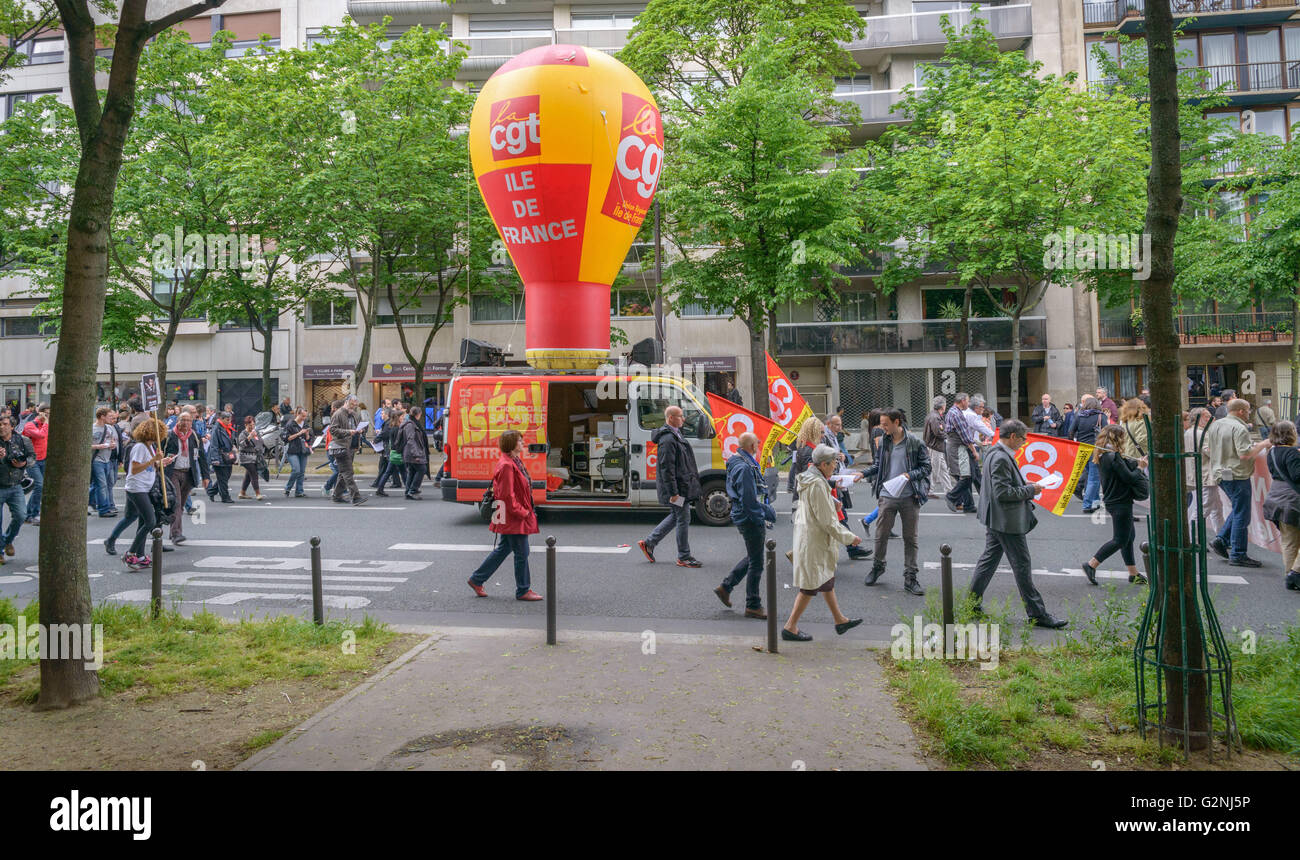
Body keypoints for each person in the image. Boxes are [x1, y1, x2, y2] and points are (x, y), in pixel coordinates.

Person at [967, 419, 1068, 629]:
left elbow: (1001, 488)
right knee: (1022, 565)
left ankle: (971, 604)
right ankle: (1037, 613)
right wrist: (1032, 489)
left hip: (996, 518)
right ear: (1013, 437)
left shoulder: (995, 452)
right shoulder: (1001, 458)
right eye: (1023, 439)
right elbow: (1002, 493)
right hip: (1006, 521)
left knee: (988, 561)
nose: (1024, 443)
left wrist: (1026, 486)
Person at [781, 444, 865, 642]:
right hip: (814, 539)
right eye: (834, 463)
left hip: (809, 536)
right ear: (824, 464)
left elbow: (812, 505)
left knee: (825, 581)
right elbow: (827, 521)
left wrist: (831, 501)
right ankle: (790, 627)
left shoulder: (810, 478)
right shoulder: (818, 484)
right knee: (810, 587)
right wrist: (849, 537)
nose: (835, 466)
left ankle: (840, 620)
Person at [859, 407, 931, 596]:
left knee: (910, 538)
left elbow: (926, 467)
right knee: (881, 534)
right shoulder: (884, 442)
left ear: (896, 422)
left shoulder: (915, 442)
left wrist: (910, 475)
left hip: (909, 496)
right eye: (881, 424)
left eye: (885, 424)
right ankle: (878, 567)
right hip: (887, 495)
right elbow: (878, 465)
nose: (882, 428)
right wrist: (861, 473)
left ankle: (910, 577)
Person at [466, 430, 543, 602]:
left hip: (510, 514)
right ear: (511, 444)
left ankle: (477, 579)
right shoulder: (507, 465)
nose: (523, 442)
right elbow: (507, 495)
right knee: (522, 552)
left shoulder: (513, 460)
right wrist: (522, 512)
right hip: (513, 515)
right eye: (519, 440)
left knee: (504, 549)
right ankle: (523, 590)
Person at [713, 432, 775, 618]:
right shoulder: (745, 468)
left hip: (744, 515)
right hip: (749, 518)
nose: (759, 444)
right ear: (751, 446)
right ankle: (752, 605)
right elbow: (749, 500)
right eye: (757, 442)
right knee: (757, 563)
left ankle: (726, 586)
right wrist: (760, 518)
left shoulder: (736, 461)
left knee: (753, 556)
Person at [1206, 398, 1272, 567]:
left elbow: (1212, 448)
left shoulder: (1216, 424)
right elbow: (1245, 454)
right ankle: (1238, 553)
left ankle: (1222, 539)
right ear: (1241, 411)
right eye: (1248, 410)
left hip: (1220, 472)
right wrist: (1264, 443)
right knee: (1242, 513)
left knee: (1238, 510)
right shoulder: (1240, 428)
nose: (1250, 413)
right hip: (1237, 474)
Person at [1082, 425, 1149, 586]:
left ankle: (1133, 573)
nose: (1124, 440)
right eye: (1123, 437)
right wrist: (1140, 467)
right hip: (1120, 501)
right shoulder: (1113, 456)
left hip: (1115, 499)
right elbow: (1129, 478)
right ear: (1117, 437)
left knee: (1128, 537)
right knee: (1120, 539)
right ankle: (1091, 564)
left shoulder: (1103, 454)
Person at [637, 406, 702, 567]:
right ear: (671, 418)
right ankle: (683, 556)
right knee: (683, 518)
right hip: (677, 488)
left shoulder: (676, 434)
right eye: (680, 416)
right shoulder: (668, 439)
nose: (684, 419)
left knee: (677, 516)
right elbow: (667, 469)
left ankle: (649, 543)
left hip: (681, 486)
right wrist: (673, 492)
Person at [118, 420, 173, 570]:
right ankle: (130, 553)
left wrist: (160, 463)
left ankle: (140, 556)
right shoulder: (140, 447)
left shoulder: (149, 447)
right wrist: (153, 460)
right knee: (150, 521)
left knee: (143, 521)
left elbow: (149, 466)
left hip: (144, 487)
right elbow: (135, 469)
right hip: (137, 488)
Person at [1261, 421, 1300, 593]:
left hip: (1276, 498)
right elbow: (1297, 475)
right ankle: (1295, 572)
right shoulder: (1292, 453)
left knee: (1289, 540)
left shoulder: (1272, 451)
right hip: (1293, 500)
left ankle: (1290, 576)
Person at [163, 412, 209, 545]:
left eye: (189, 420)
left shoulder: (194, 436)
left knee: (181, 505)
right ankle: (177, 533)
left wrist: (206, 477)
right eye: (184, 420)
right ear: (178, 421)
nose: (186, 423)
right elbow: (160, 453)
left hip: (189, 473)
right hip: (173, 473)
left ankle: (173, 532)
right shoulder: (169, 435)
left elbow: (201, 457)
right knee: (176, 503)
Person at [0, 414, 33, 565]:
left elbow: (33, 457)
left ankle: (7, 540)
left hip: (15, 485)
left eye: (5, 424)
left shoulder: (22, 440)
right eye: (0, 424)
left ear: (12, 427)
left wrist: (24, 463)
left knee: (21, 515)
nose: (2, 427)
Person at [1071, 395, 1109, 513]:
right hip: (1095, 448)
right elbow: (1107, 433)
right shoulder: (1100, 416)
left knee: (1091, 474)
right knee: (1094, 477)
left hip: (1082, 448)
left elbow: (1071, 432)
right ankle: (1087, 505)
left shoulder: (1079, 416)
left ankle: (1096, 502)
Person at [943, 393, 979, 514]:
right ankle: (952, 497)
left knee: (965, 476)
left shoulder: (952, 412)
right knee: (966, 476)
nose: (968, 404)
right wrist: (974, 451)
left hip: (956, 448)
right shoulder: (956, 414)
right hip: (958, 448)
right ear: (962, 401)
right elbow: (965, 436)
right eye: (968, 402)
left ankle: (968, 505)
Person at [328, 396, 366, 505]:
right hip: (341, 446)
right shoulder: (338, 414)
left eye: (355, 405)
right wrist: (348, 432)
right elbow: (333, 430)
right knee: (348, 472)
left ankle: (336, 496)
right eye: (351, 405)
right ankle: (356, 497)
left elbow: (360, 425)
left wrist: (361, 430)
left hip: (352, 446)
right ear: (346, 402)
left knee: (343, 473)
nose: (353, 407)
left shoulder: (355, 414)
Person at [91, 407, 121, 518]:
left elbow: (112, 440)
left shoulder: (109, 428)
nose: (111, 418)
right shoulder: (92, 429)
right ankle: (103, 509)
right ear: (102, 417)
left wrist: (112, 445)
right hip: (97, 460)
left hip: (107, 459)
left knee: (105, 484)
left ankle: (105, 506)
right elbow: (86, 445)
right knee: (102, 485)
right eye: (109, 416)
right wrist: (99, 446)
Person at [21, 405, 48, 525]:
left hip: (43, 458)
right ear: (40, 413)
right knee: (39, 485)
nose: (49, 417)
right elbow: (40, 435)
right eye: (47, 414)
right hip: (32, 460)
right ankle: (32, 514)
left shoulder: (46, 426)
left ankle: (29, 513)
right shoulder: (30, 425)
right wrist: (46, 423)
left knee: (40, 487)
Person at [205, 411, 236, 503]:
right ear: (222, 419)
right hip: (219, 456)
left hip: (227, 456)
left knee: (226, 476)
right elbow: (214, 444)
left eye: (230, 419)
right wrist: (215, 459)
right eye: (227, 419)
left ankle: (211, 492)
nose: (229, 421)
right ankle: (225, 497)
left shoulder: (227, 427)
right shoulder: (217, 428)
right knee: (222, 478)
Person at [373, 408, 405, 495]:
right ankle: (409, 490)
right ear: (398, 418)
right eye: (402, 416)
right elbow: (396, 442)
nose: (404, 418)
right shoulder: (396, 428)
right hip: (396, 453)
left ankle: (408, 489)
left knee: (399, 471)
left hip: (394, 452)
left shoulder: (393, 426)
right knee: (395, 471)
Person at [923, 395, 951, 498]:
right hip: (935, 447)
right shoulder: (935, 417)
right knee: (934, 470)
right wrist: (948, 436)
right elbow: (938, 432)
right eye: (945, 404)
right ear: (942, 406)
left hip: (935, 447)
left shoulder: (933, 415)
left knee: (943, 470)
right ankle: (929, 491)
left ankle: (949, 490)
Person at [401, 405, 430, 500]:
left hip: (411, 452)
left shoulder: (412, 422)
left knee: (412, 471)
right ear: (418, 414)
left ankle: (408, 492)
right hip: (412, 453)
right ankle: (413, 490)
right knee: (422, 469)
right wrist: (415, 454)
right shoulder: (410, 424)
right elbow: (410, 440)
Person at [283, 408, 312, 498]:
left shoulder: (306, 424)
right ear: (297, 414)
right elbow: (286, 438)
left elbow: (309, 439)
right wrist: (299, 433)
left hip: (303, 450)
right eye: (302, 416)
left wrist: (307, 434)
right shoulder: (290, 424)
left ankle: (299, 491)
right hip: (292, 450)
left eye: (305, 416)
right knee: (296, 470)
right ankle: (287, 488)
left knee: (302, 472)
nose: (304, 418)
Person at [236, 415, 266, 500]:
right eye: (250, 425)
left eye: (253, 425)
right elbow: (241, 445)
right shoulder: (243, 434)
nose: (252, 427)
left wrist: (257, 438)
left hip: (255, 457)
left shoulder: (256, 432)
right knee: (254, 474)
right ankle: (258, 494)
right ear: (246, 425)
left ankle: (242, 492)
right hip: (245, 457)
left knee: (248, 475)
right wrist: (249, 437)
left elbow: (260, 443)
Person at [1119, 397, 1150, 462]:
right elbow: (1143, 440)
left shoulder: (1124, 422)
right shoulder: (1141, 421)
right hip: (1139, 458)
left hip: (1126, 456)